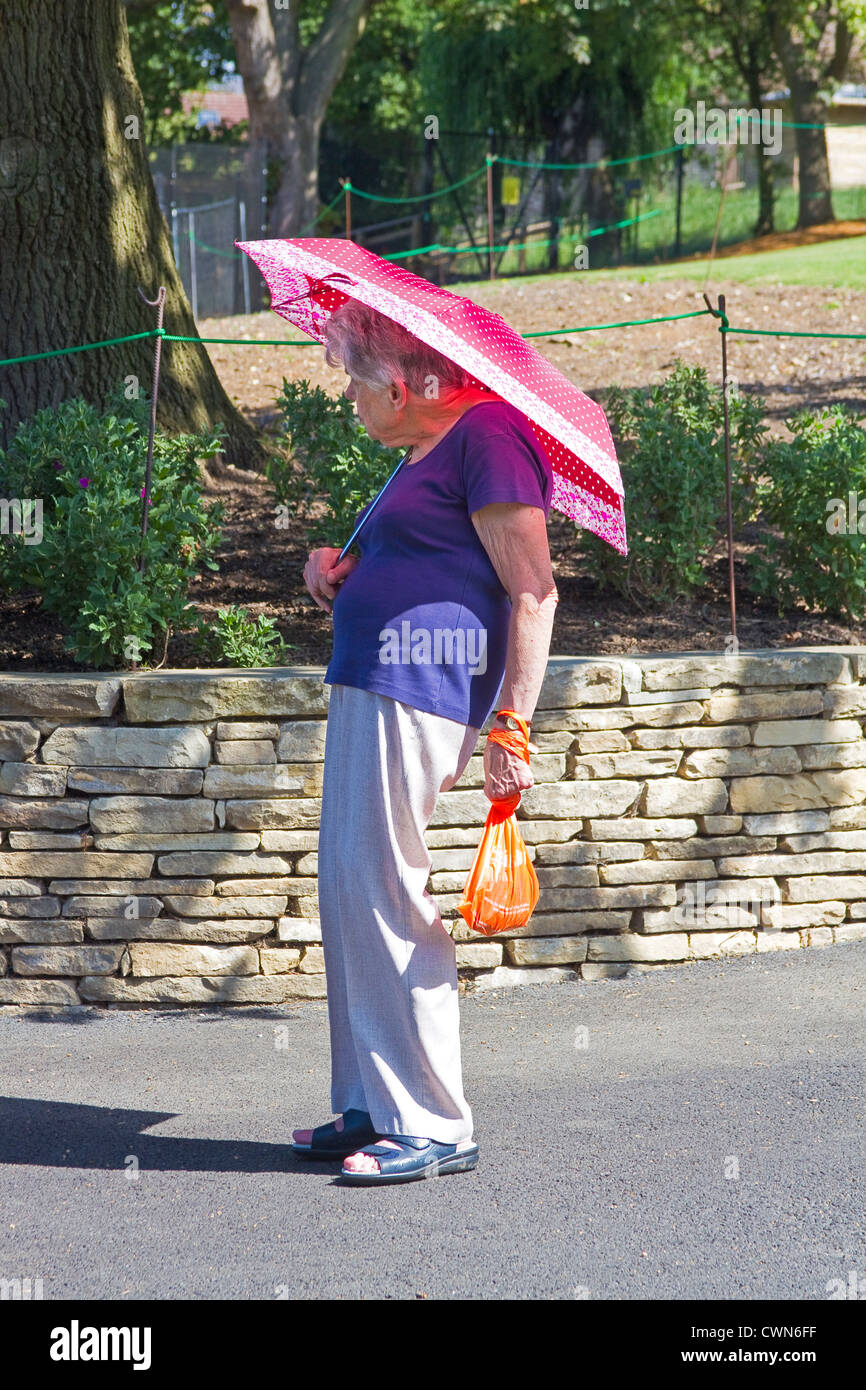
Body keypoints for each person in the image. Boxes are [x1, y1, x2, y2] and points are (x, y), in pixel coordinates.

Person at [291, 298, 558, 1184]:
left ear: (401, 388)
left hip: (422, 689)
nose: (349, 401)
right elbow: (417, 557)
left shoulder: (489, 438)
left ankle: (434, 1122)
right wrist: (336, 572)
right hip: (375, 683)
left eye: (355, 387)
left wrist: (512, 721)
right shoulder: (421, 453)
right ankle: (372, 1101)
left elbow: (533, 592)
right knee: (351, 887)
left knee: (390, 892)